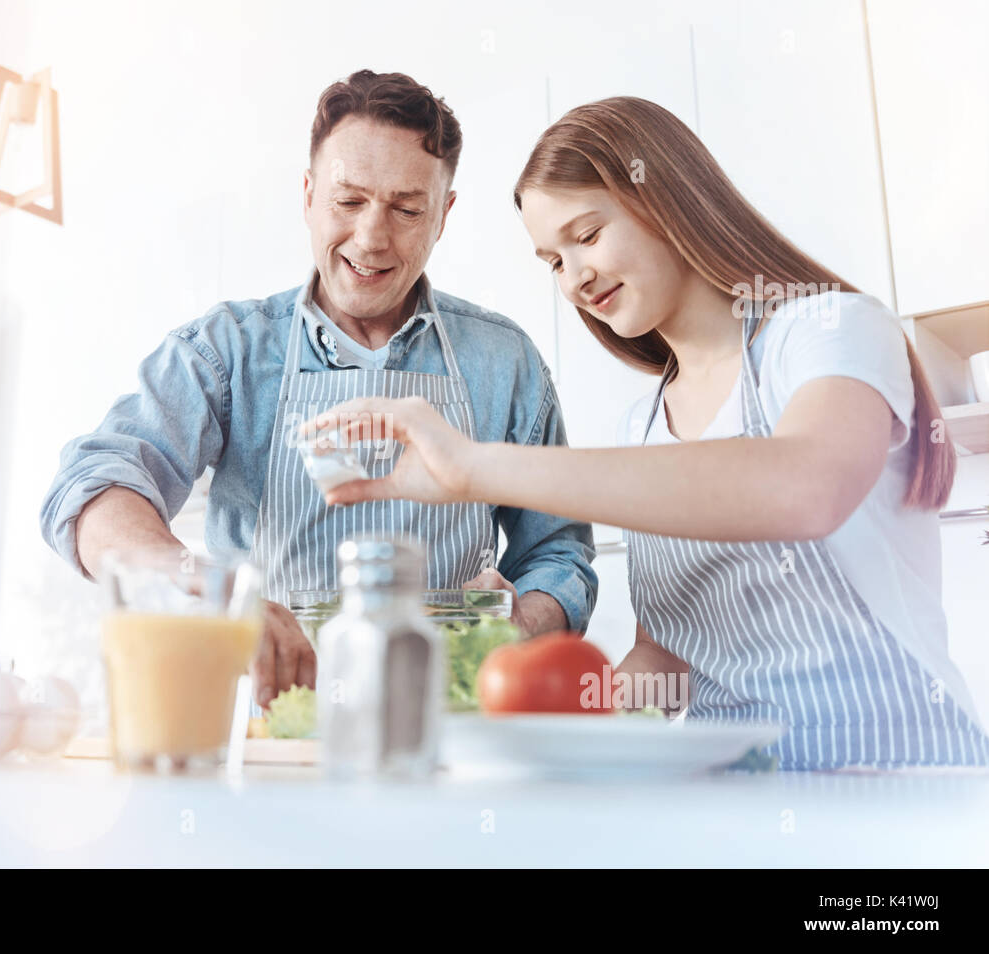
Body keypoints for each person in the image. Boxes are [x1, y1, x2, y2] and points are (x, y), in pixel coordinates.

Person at [302, 96, 989, 771]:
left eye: (588, 235)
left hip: (907, 783)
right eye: (553, 260)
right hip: (733, 799)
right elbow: (663, 664)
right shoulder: (643, 428)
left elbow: (802, 485)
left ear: (667, 198)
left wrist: (473, 466)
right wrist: (504, 713)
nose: (575, 277)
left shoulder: (828, 331)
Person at [40, 70, 597, 709]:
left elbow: (557, 551)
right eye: (348, 201)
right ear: (307, 195)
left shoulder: (506, 361)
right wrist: (213, 592)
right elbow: (96, 480)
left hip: (450, 723)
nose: (371, 238)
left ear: (442, 216)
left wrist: (523, 623)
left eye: (407, 209)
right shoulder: (228, 351)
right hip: (267, 723)